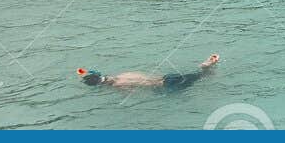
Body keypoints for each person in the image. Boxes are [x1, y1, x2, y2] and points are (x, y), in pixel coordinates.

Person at [79, 54, 219, 90]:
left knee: (202, 77)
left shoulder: (118, 86)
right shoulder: (124, 74)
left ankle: (205, 67)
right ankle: (205, 67)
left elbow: (135, 92)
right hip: (166, 77)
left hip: (166, 85)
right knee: (199, 77)